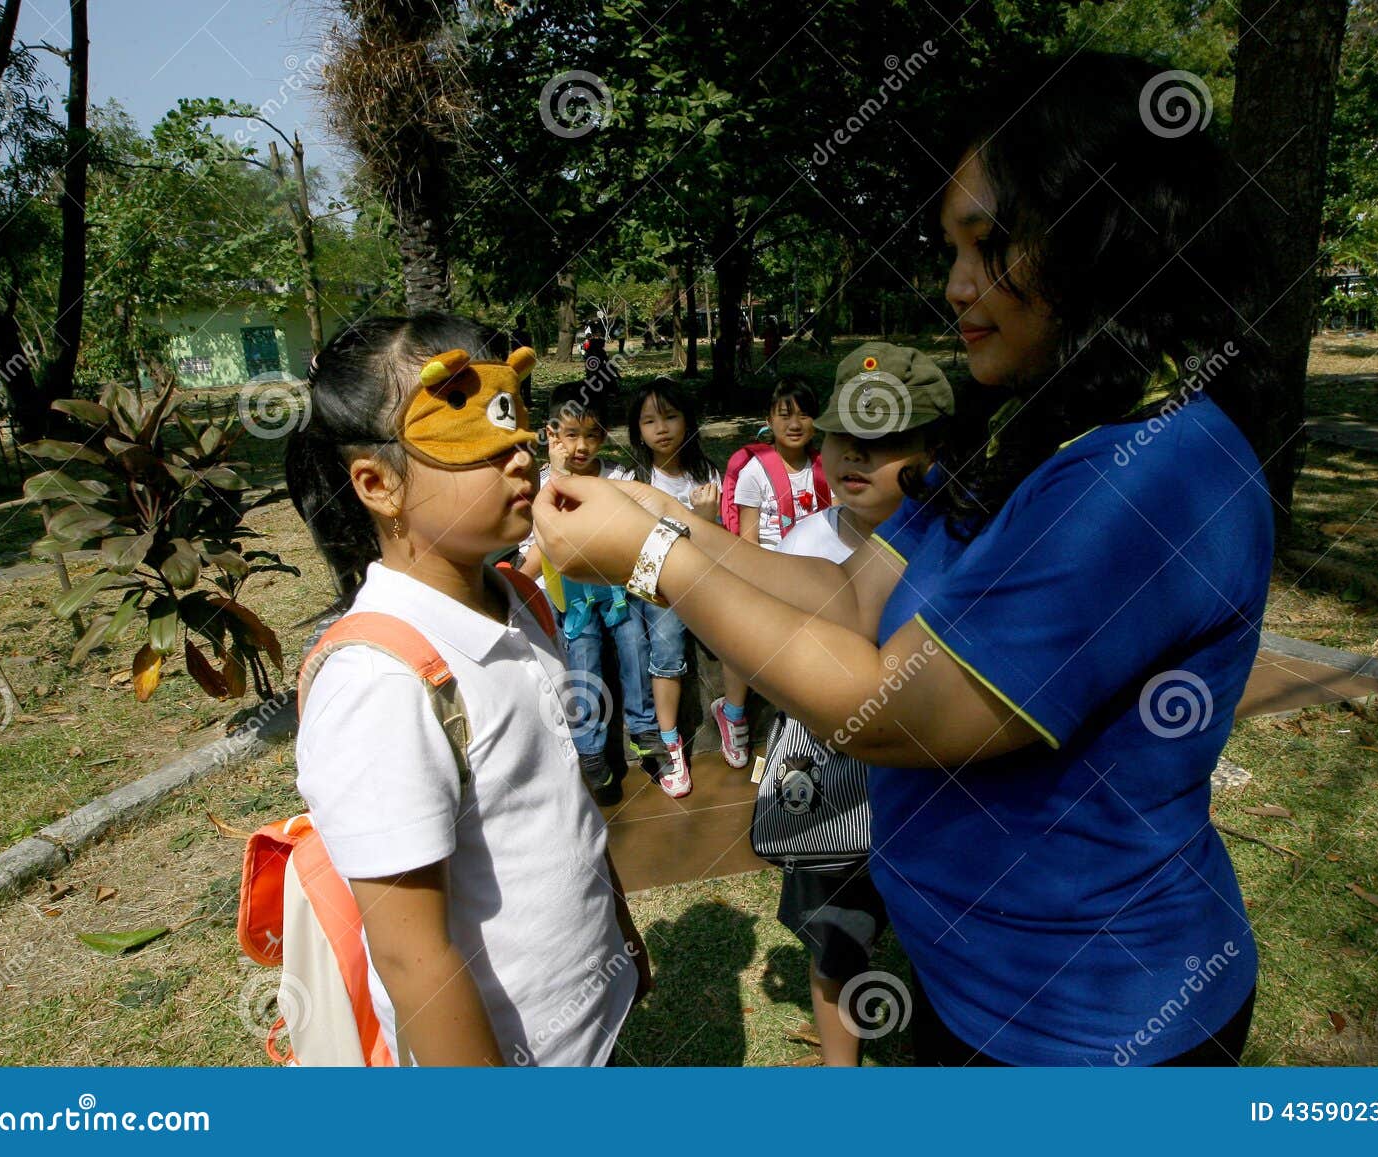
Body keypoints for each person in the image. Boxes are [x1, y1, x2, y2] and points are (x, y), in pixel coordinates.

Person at [530, 51, 1272, 1066]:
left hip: (1095, 1032)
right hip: (972, 987)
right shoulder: (1039, 431)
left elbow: (894, 709)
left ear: (1104, 233)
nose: (957, 283)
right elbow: (846, 595)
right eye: (950, 246)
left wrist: (655, 558)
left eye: (992, 242)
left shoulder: (1154, 474)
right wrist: (660, 514)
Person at [284, 313, 647, 1065]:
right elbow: (414, 957)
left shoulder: (521, 596)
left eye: (514, 424)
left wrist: (617, 932)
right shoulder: (381, 681)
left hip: (589, 1023)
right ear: (378, 484)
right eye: (469, 434)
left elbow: (559, 810)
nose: (519, 457)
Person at [775, 342, 952, 1066]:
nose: (853, 456)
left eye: (882, 443)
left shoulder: (958, 549)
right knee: (837, 938)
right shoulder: (798, 542)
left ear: (936, 449)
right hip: (833, 787)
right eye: (843, 437)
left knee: (938, 938)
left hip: (930, 784)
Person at [518, 381, 663, 804]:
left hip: (615, 592)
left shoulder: (617, 478)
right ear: (551, 435)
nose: (582, 445)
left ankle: (643, 727)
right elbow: (543, 535)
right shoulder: (542, 484)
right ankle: (591, 751)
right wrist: (559, 472)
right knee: (583, 661)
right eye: (571, 435)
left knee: (635, 643)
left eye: (593, 434)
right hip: (571, 599)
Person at [609, 378, 721, 794]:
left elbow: (717, 545)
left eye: (671, 416)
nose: (662, 428)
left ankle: (734, 717)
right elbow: (630, 543)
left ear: (687, 420)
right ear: (637, 429)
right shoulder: (631, 478)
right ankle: (672, 745)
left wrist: (706, 520)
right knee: (667, 643)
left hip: (696, 577)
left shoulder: (705, 475)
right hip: (649, 580)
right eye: (649, 420)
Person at [714, 376, 831, 770]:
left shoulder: (825, 467)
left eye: (804, 414)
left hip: (815, 573)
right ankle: (732, 713)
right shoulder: (754, 473)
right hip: (764, 570)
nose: (794, 423)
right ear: (769, 420)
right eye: (785, 415)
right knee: (741, 634)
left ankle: (816, 717)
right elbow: (747, 538)